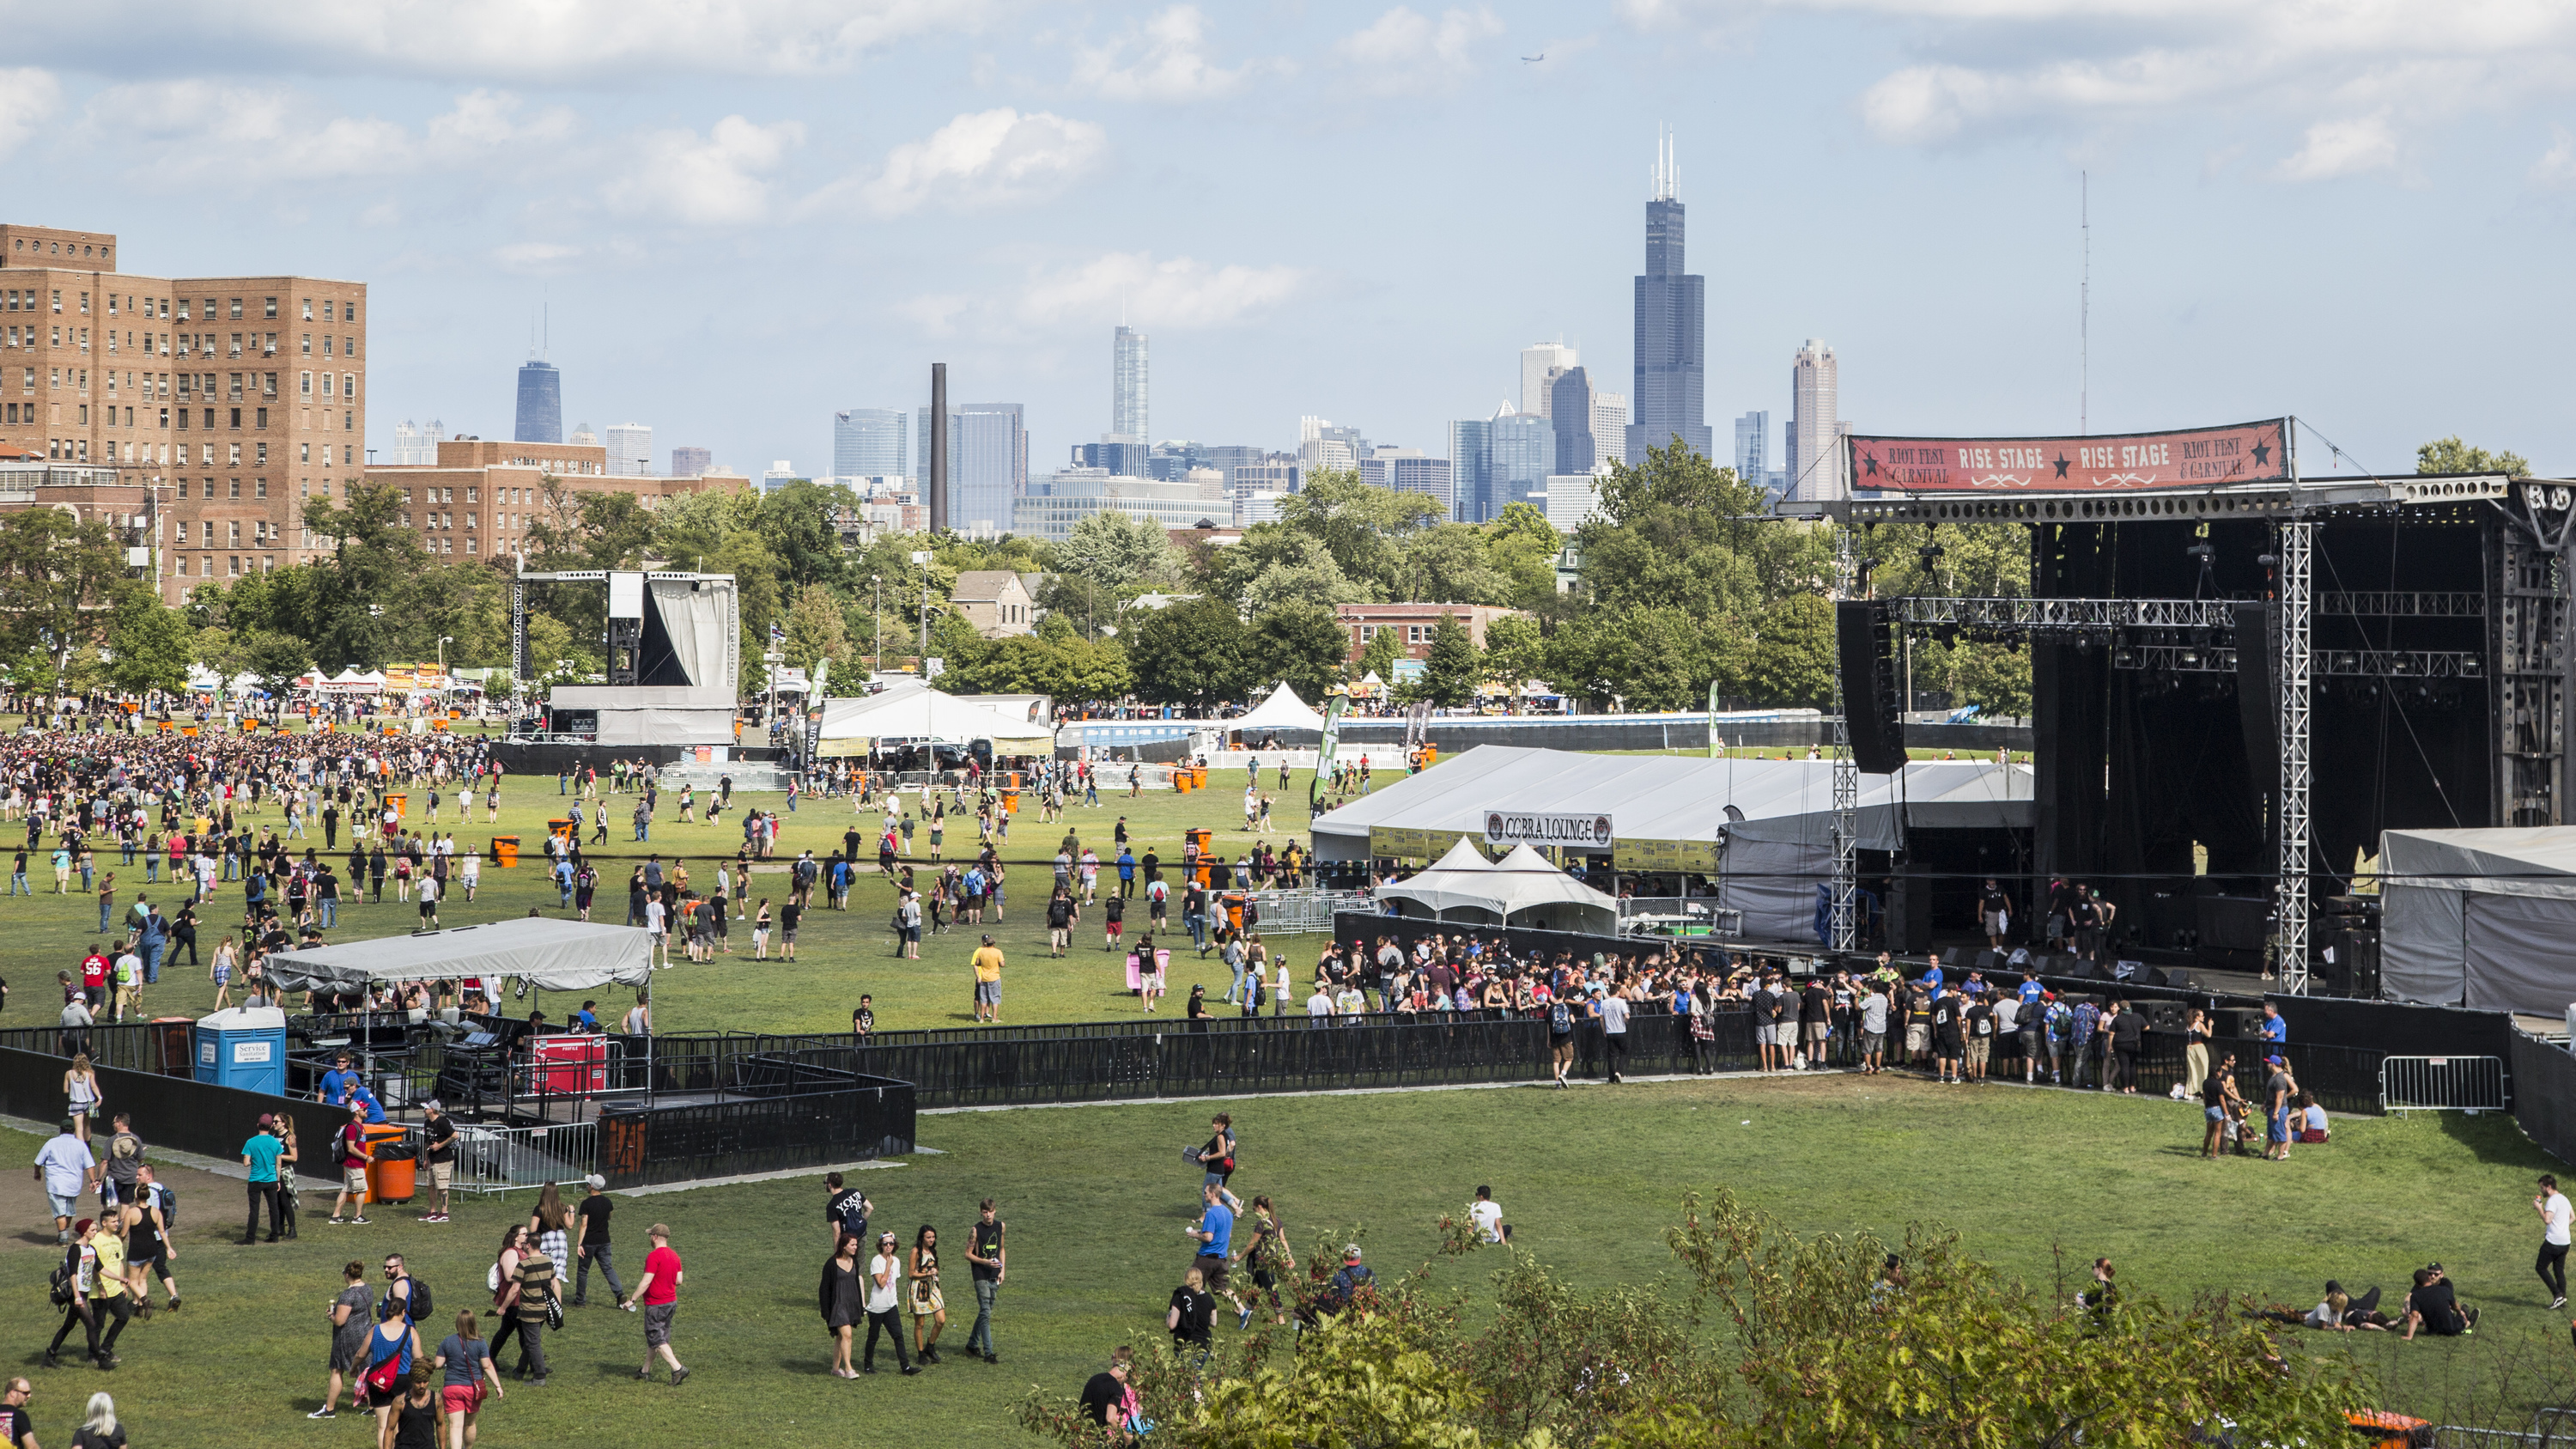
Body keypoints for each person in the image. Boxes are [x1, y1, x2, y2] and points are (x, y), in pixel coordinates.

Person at [621, 1222, 688, 1385]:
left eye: (651, 1235)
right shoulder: (675, 1256)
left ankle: (678, 1369)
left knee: (657, 1340)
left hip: (656, 1305)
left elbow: (646, 1282)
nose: (650, 1238)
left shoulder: (654, 1256)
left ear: (655, 1237)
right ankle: (645, 1371)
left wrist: (632, 1300)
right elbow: (679, 1280)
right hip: (671, 1302)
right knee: (657, 1338)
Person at [434, 1307, 504, 1446]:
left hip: (452, 1387)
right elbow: (487, 1366)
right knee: (470, 1424)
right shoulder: (480, 1342)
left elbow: (438, 1364)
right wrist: (498, 1386)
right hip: (472, 1389)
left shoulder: (447, 1342)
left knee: (455, 1426)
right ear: (473, 1323)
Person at [358, 1297, 421, 1444]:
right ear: (403, 1312)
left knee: (383, 1426)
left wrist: (354, 1367)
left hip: (379, 1381)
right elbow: (418, 1358)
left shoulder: (376, 1330)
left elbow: (361, 1354)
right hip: (403, 1380)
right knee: (398, 1423)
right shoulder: (410, 1332)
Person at [317, 1260, 375, 1419]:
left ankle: (329, 1409)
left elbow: (340, 1320)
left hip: (347, 1337)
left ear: (347, 1275)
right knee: (366, 1370)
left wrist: (331, 1315)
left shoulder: (348, 1294)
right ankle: (373, 1407)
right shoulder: (367, 1288)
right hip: (365, 1333)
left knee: (337, 1370)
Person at [121, 1166, 177, 1316]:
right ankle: (140, 1307)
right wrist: (169, 1247)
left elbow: (124, 1233)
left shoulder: (134, 1210)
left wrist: (117, 1242)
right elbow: (161, 1230)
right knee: (143, 1278)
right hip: (154, 1245)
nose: (137, 1178)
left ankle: (143, 1301)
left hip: (139, 1247)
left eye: (139, 1175)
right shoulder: (160, 1192)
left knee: (133, 1280)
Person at [861, 1231, 917, 1375]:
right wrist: (888, 1265)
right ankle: (868, 1365)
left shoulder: (896, 1261)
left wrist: (895, 1301)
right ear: (881, 1245)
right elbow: (881, 1283)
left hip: (891, 1306)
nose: (888, 1246)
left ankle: (905, 1367)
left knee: (898, 1336)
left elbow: (893, 1283)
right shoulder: (876, 1261)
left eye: (891, 1243)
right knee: (873, 1337)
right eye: (885, 1243)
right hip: (877, 1307)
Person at [33, 1120, 96, 1245]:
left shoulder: (51, 1143)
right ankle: (64, 1233)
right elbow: (90, 1165)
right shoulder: (81, 1145)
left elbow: (38, 1162)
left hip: (56, 1183)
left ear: (60, 1130)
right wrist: (93, 1181)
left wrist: (37, 1173)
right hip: (74, 1184)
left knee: (60, 1211)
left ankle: (63, 1238)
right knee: (69, 1211)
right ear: (73, 1130)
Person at [963, 1198, 1005, 1364]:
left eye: (990, 1211)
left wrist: (1003, 1269)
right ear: (981, 1212)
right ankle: (989, 1352)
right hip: (980, 1274)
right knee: (986, 1313)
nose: (988, 1215)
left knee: (984, 1312)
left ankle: (972, 1344)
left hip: (995, 1273)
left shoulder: (1000, 1226)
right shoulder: (975, 1230)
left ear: (995, 1210)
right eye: (985, 1212)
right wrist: (985, 1262)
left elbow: (1001, 1248)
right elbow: (968, 1254)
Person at [574, 1173, 624, 1306]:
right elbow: (609, 1217)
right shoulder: (607, 1202)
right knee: (607, 1268)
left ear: (592, 1187)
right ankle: (619, 1293)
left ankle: (580, 1300)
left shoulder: (586, 1204)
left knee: (583, 1271)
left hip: (589, 1242)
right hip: (604, 1240)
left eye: (588, 1184)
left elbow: (583, 1224)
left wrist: (579, 1243)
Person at [820, 1233, 866, 1379]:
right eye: (852, 1245)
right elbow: (824, 1289)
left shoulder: (854, 1262)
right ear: (844, 1245)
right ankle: (848, 1368)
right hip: (837, 1306)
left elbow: (856, 1285)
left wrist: (860, 1305)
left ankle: (835, 1368)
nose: (855, 1247)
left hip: (851, 1304)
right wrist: (825, 1311)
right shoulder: (831, 1264)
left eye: (856, 1244)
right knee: (847, 1334)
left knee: (841, 1337)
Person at [329, 1099, 374, 1225]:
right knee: (361, 1189)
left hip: (352, 1164)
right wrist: (366, 1157)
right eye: (364, 1109)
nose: (366, 1111)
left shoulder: (357, 1126)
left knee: (346, 1190)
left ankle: (335, 1216)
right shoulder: (353, 1127)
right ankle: (357, 1216)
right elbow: (351, 1148)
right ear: (356, 1112)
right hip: (355, 1164)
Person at [2401, 1264, 2476, 1339]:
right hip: (2451, 1330)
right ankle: (2468, 1322)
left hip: (2431, 1331)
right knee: (2460, 1319)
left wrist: (2409, 1336)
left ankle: (2466, 1319)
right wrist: (2460, 1312)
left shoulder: (2416, 1296)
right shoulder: (2444, 1290)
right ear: (2429, 1278)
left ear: (2417, 1284)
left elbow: (2414, 1316)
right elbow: (2455, 1305)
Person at [909, 1224, 948, 1363]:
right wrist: (926, 1273)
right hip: (919, 1289)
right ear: (922, 1238)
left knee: (941, 1320)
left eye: (933, 1237)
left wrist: (935, 1271)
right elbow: (911, 1273)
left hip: (933, 1288)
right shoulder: (916, 1251)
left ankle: (930, 1346)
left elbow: (935, 1266)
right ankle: (921, 1354)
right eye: (928, 1237)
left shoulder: (933, 1250)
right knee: (920, 1324)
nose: (931, 1240)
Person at [1078, 1347, 1137, 1438]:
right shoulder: (1116, 1388)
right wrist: (1126, 1437)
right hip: (1097, 1441)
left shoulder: (1094, 1379)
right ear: (1126, 1371)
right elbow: (1110, 1418)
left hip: (1081, 1438)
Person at [1166, 1263, 1216, 1364]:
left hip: (1184, 1346)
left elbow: (1172, 1325)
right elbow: (1214, 1323)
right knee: (1195, 1377)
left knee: (1188, 1377)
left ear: (1186, 1281)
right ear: (1201, 1281)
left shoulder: (1180, 1297)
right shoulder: (1209, 1298)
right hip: (1203, 1346)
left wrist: (1168, 1318)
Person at [2538, 1174, 2573, 1310]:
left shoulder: (2552, 1201)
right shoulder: (2564, 1199)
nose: (2541, 1191)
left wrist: (2539, 1208)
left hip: (2553, 1242)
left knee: (2540, 1267)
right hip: (2565, 1242)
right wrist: (2561, 1227)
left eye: (2542, 1188)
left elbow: (2547, 1219)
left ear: (2549, 1187)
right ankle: (2562, 1299)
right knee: (2559, 1270)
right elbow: (2573, 1217)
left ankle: (2557, 1294)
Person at [421, 1099, 457, 1223]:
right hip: (432, 1159)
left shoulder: (443, 1122)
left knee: (442, 1186)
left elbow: (455, 1135)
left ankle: (444, 1212)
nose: (424, 1111)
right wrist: (426, 1158)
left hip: (443, 1159)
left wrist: (440, 1146)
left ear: (433, 1110)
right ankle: (433, 1211)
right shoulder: (427, 1123)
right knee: (430, 1185)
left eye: (426, 1108)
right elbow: (427, 1141)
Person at [62, 1057, 99, 1145]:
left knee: (79, 1128)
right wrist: (99, 1097)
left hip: (76, 1103)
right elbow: (93, 1086)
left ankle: (81, 1149)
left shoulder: (69, 1073)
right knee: (87, 1126)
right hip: (89, 1103)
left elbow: (65, 1090)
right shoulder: (90, 1073)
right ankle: (88, 1148)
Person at [970, 934, 1005, 1024]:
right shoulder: (998, 952)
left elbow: (977, 963)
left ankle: (981, 1018)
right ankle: (994, 1018)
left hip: (984, 978)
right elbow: (1002, 964)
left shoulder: (981, 952)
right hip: (994, 977)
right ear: (993, 944)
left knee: (983, 999)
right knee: (995, 999)